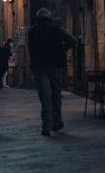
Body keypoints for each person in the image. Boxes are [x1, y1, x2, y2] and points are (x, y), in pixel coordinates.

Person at [28, 7, 78, 136]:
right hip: (55, 66)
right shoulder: (56, 28)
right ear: (49, 16)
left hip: (39, 67)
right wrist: (62, 50)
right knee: (56, 95)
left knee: (45, 97)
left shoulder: (32, 31)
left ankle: (46, 126)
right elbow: (73, 41)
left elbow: (31, 50)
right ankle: (57, 122)